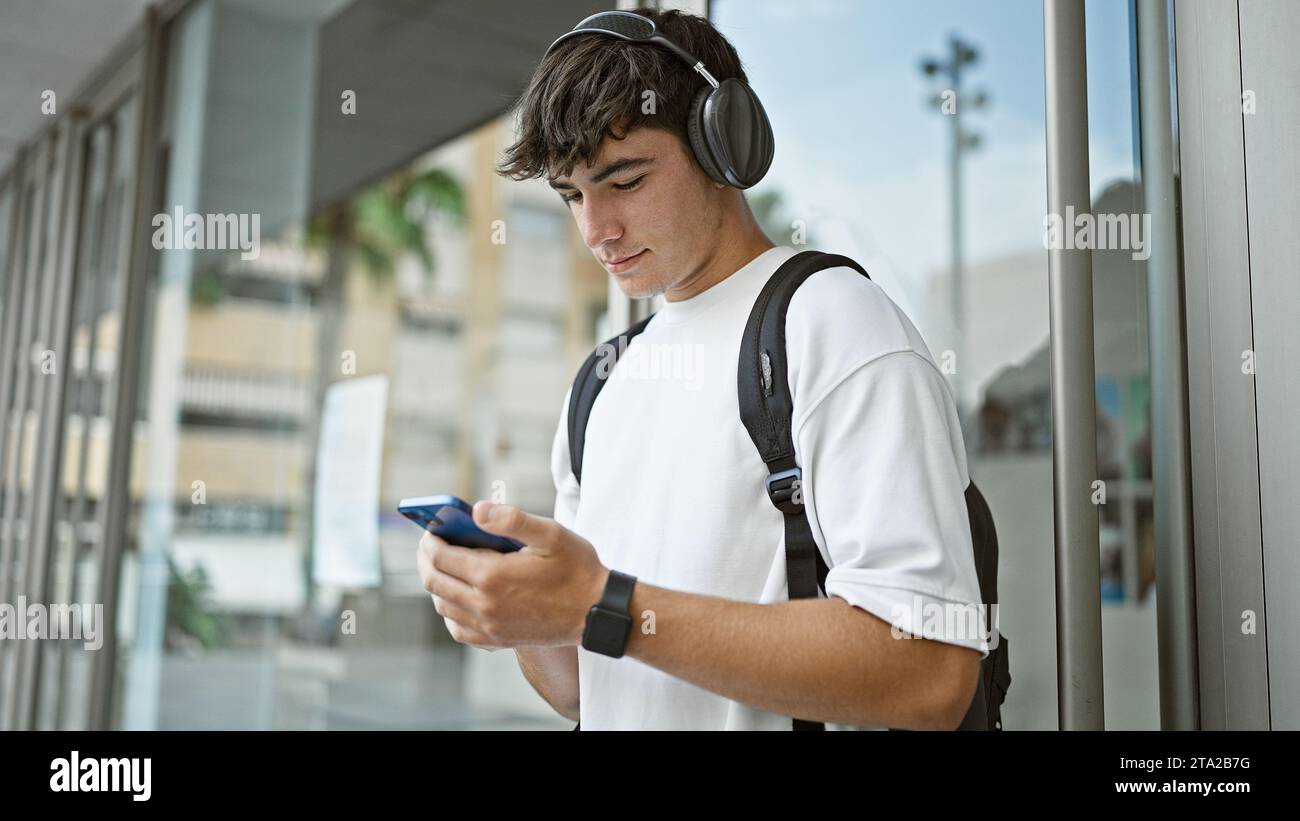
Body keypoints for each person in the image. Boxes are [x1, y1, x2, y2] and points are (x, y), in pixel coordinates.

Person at [415, 7, 987, 731]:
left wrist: (605, 602)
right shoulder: (602, 381)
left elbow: (931, 671)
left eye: (624, 181)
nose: (596, 230)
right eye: (572, 196)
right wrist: (523, 610)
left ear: (727, 147)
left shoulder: (834, 323)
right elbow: (584, 691)